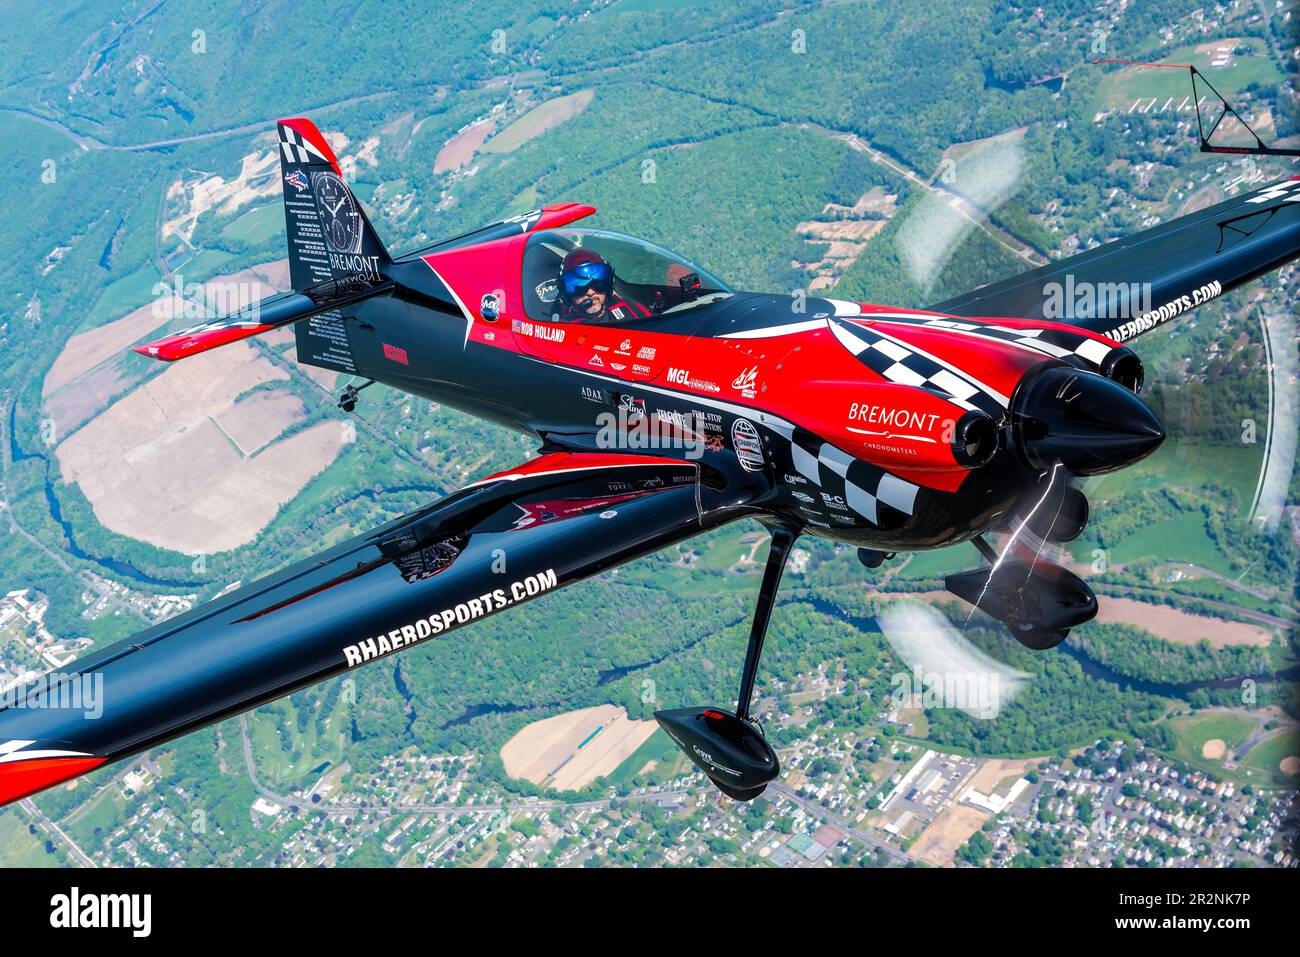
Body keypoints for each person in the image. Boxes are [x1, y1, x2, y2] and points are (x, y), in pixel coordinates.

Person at [556, 248, 648, 323]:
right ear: (566, 295)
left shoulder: (629, 308)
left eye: (597, 284)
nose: (591, 292)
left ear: (608, 284)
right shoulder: (566, 329)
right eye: (579, 289)